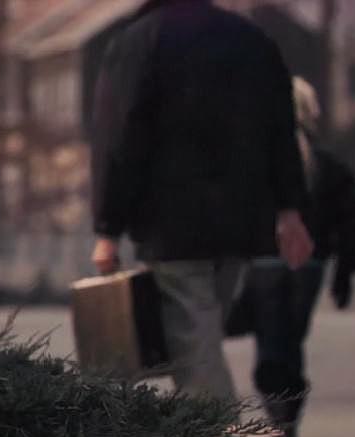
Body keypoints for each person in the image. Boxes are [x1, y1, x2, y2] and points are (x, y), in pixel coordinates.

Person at [88, 0, 313, 401]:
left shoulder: (139, 41)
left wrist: (108, 228)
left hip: (172, 222)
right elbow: (281, 128)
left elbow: (120, 137)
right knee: (204, 331)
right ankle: (215, 436)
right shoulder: (252, 39)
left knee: (194, 338)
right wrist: (289, 210)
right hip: (244, 219)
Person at [230, 77, 355, 437]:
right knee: (291, 340)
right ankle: (288, 416)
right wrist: (345, 273)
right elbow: (350, 221)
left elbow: (237, 215)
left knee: (271, 341)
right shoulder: (330, 167)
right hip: (311, 266)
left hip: (264, 263)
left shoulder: (252, 164)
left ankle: (279, 414)